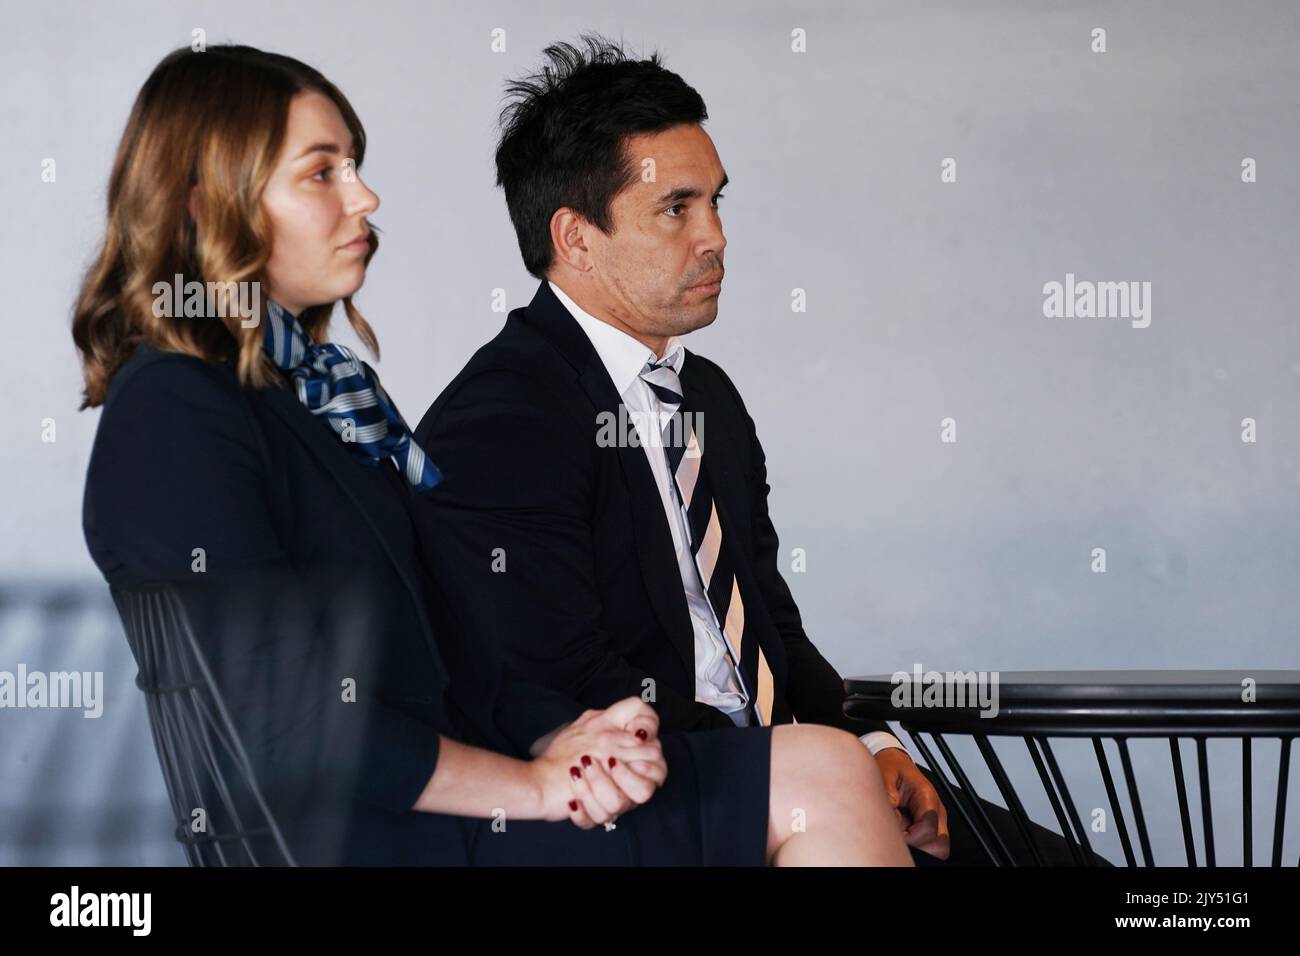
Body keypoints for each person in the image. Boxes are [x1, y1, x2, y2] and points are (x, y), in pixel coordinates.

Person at [72, 44, 912, 867]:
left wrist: (568, 737)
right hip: (375, 832)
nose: (366, 197)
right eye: (322, 172)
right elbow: (280, 726)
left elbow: (461, 639)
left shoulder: (326, 399)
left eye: (355, 165)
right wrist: (533, 787)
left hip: (462, 800)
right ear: (203, 204)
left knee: (841, 776)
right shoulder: (173, 411)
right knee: (822, 777)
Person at [414, 35, 1105, 866]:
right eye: (676, 208)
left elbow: (769, 625)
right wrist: (815, 770)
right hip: (647, 802)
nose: (715, 236)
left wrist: (880, 748)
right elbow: (551, 683)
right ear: (576, 237)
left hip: (789, 770)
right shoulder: (504, 417)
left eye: (716, 202)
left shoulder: (707, 399)